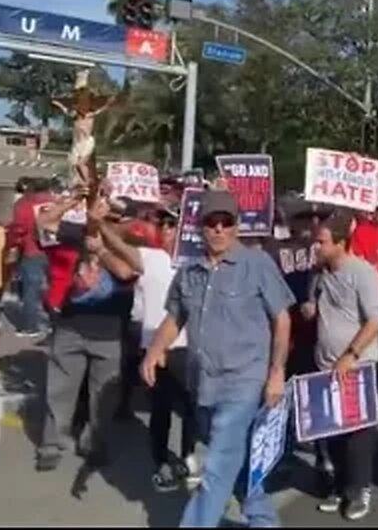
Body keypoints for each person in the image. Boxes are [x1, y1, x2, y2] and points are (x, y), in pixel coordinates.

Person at [141, 190, 295, 528]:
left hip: (245, 381)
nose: (219, 229)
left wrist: (277, 373)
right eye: (212, 222)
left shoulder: (257, 264)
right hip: (204, 385)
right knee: (234, 460)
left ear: (237, 227)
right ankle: (264, 520)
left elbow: (282, 318)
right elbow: (174, 317)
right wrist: (155, 350)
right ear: (200, 227)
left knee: (217, 464)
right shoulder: (189, 271)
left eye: (227, 222)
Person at [35, 196, 141, 472]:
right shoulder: (80, 234)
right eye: (106, 215)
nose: (109, 221)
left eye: (115, 218)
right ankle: (51, 443)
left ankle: (94, 443)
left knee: (103, 397)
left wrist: (101, 244)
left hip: (109, 332)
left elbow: (127, 271)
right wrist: (74, 199)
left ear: (128, 222)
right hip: (70, 325)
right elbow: (44, 222)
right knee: (60, 389)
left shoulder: (134, 246)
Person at [308, 213, 378, 520]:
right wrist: (311, 306)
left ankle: (359, 490)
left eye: (322, 241)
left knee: (358, 436)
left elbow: (376, 320)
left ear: (341, 242)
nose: (316, 246)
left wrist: (350, 355)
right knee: (333, 433)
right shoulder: (321, 272)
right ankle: (340, 487)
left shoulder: (363, 274)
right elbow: (318, 303)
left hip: (356, 366)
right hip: (325, 366)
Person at [129, 215, 198, 493]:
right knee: (160, 408)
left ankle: (188, 456)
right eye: (164, 225)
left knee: (192, 407)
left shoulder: (196, 260)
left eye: (174, 225)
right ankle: (160, 459)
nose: (168, 230)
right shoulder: (149, 257)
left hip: (188, 347)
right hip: (155, 348)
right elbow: (121, 255)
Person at [7, 178, 52, 338]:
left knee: (31, 291)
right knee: (57, 288)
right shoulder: (58, 202)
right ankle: (57, 324)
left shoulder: (23, 204)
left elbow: (18, 229)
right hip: (55, 251)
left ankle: (30, 326)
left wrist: (13, 246)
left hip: (31, 250)